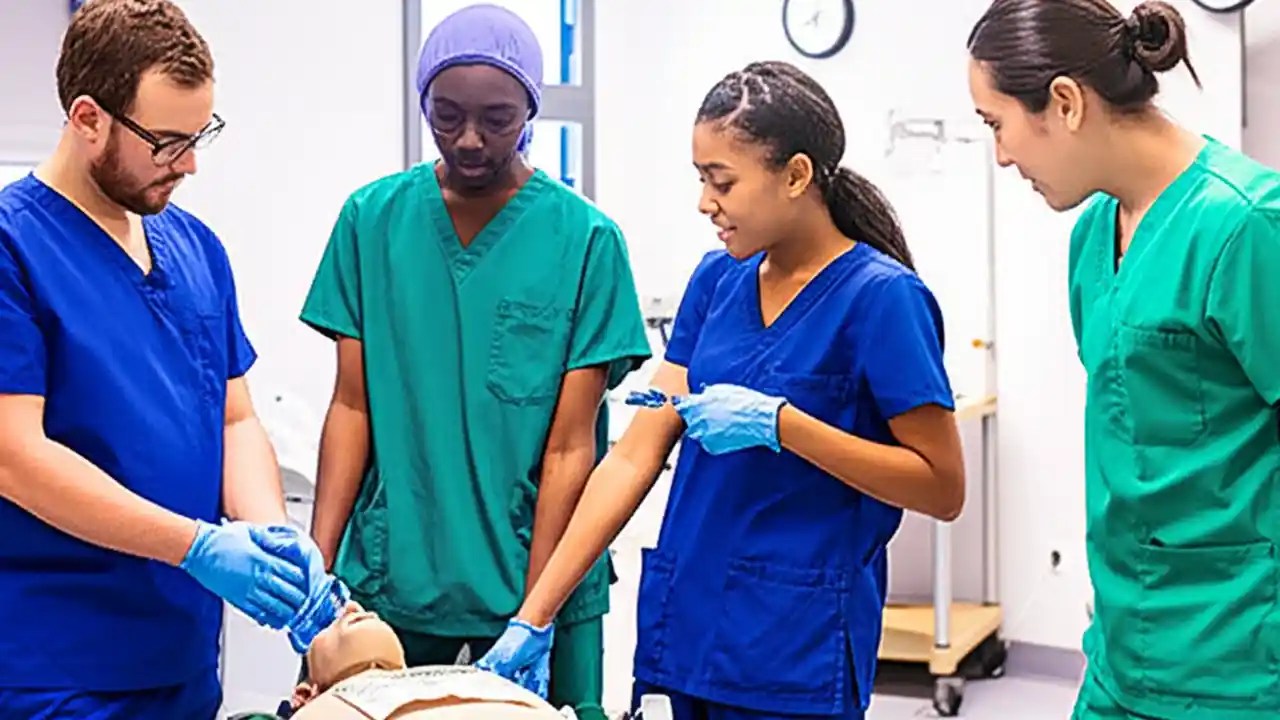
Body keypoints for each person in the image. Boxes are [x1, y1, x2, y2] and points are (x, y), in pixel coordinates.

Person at [476, 60, 967, 720]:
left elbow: (941, 486)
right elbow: (634, 456)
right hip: (690, 631)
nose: (705, 202)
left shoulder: (882, 299)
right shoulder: (717, 281)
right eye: (702, 179)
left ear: (795, 175)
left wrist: (783, 425)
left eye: (721, 182)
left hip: (793, 647)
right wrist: (535, 616)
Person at [299, 5, 651, 720]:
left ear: (532, 109)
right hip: (400, 571)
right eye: (446, 114)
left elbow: (569, 444)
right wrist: (318, 567)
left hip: (540, 570)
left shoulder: (586, 241)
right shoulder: (372, 220)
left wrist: (535, 613)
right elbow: (352, 407)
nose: (468, 138)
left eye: (497, 118)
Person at [0, 1, 329, 717]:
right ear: (88, 119)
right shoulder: (13, 249)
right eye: (166, 141)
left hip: (180, 661)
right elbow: (14, 457)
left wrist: (266, 529)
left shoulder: (195, 249)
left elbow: (235, 419)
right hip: (57, 671)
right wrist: (196, 547)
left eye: (199, 134)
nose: (188, 164)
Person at [967, 1, 1280, 718]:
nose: (1002, 156)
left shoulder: (1247, 224)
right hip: (1120, 650)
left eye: (997, 125)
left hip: (1239, 667)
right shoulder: (1092, 237)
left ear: (1066, 103)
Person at [269, 602, 568, 720]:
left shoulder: (470, 678)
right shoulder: (323, 709)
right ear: (305, 694)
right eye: (332, 624)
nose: (351, 606)